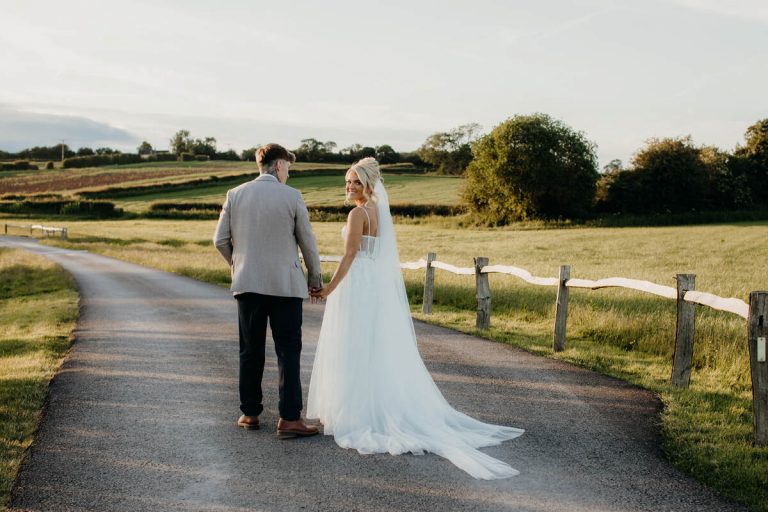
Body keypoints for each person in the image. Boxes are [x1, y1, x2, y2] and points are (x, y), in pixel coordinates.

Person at [307, 158, 524, 479]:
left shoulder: (357, 214)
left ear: (368, 184)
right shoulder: (380, 213)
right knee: (372, 344)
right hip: (373, 287)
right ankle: (371, 404)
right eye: (347, 182)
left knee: (353, 343)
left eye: (354, 182)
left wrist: (329, 288)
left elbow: (351, 254)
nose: (349, 187)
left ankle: (357, 412)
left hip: (356, 284)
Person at [214, 143, 322, 439]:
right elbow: (307, 243)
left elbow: (219, 240)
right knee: (288, 350)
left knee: (250, 350)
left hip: (248, 284)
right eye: (288, 166)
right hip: (285, 287)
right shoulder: (292, 196)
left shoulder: (235, 195)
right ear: (278, 166)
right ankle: (289, 419)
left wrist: (239, 266)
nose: (288, 172)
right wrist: (315, 278)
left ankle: (250, 413)